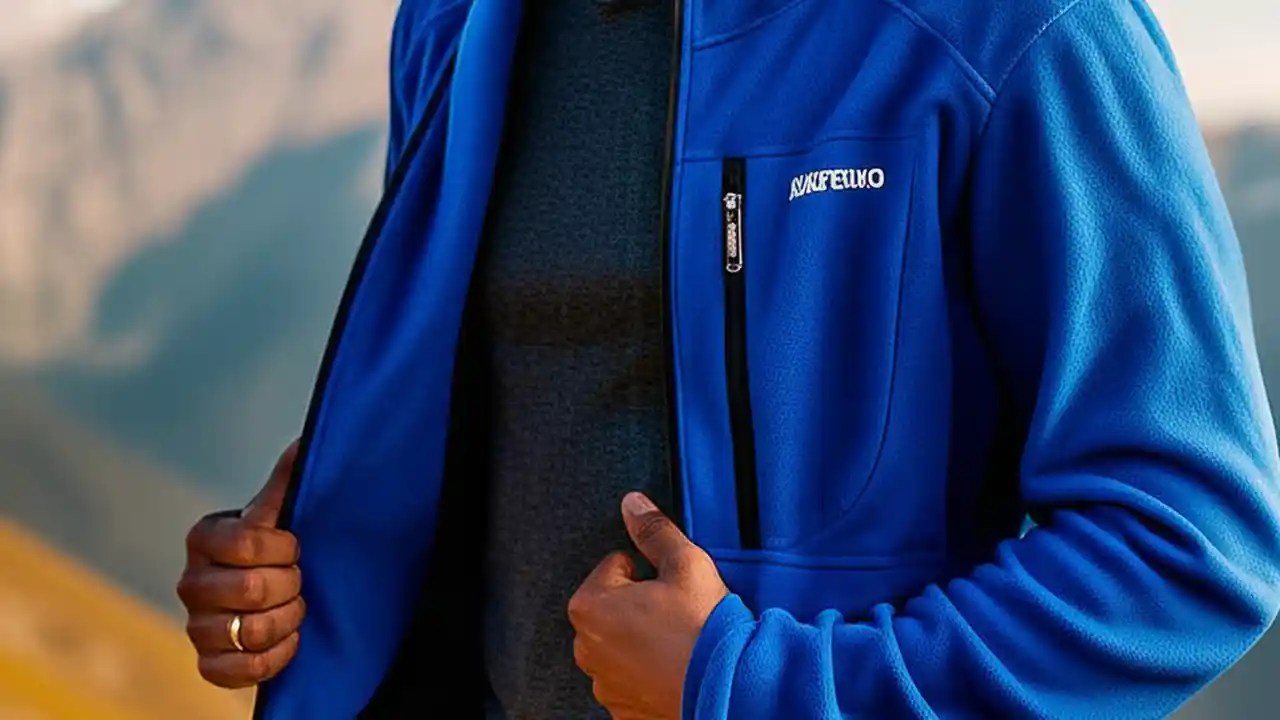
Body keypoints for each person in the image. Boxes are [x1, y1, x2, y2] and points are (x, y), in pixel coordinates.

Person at [176, 0, 1280, 718]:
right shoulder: (455, 27)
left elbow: (1189, 548)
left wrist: (755, 690)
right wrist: (307, 578)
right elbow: (512, 434)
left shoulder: (1020, 27)